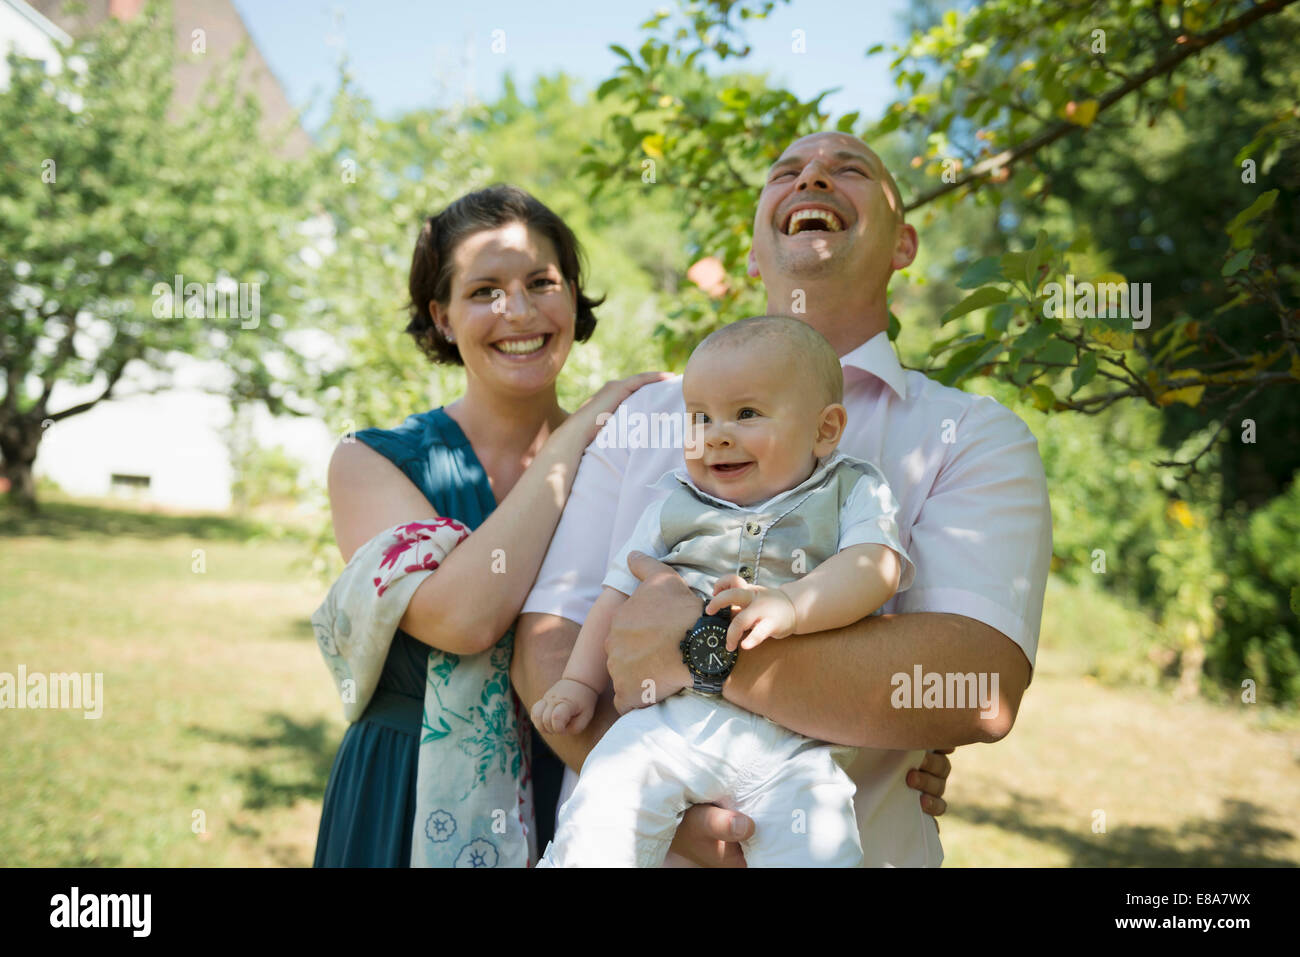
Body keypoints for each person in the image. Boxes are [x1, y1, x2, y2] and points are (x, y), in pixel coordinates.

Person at [513, 131, 1052, 867]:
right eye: (787, 172)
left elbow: (978, 684)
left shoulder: (972, 436)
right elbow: (550, 636)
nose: (814, 179)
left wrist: (695, 647)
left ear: (905, 243)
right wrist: (668, 816)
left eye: (850, 169)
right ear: (752, 252)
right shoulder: (643, 420)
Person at [314, 183, 668, 866]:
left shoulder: (630, 461)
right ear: (441, 316)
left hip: (581, 784)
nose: (519, 310)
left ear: (572, 297)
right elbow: (465, 617)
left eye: (543, 281)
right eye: (484, 291)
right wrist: (581, 431)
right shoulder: (372, 461)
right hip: (404, 799)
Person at [534, 317, 916, 866]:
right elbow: (617, 598)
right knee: (604, 810)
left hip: (795, 738)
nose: (716, 434)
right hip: (666, 725)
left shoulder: (853, 488)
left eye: (746, 414)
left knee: (819, 845)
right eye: (700, 418)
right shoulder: (671, 503)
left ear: (826, 429)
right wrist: (576, 681)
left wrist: (792, 604)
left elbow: (873, 564)